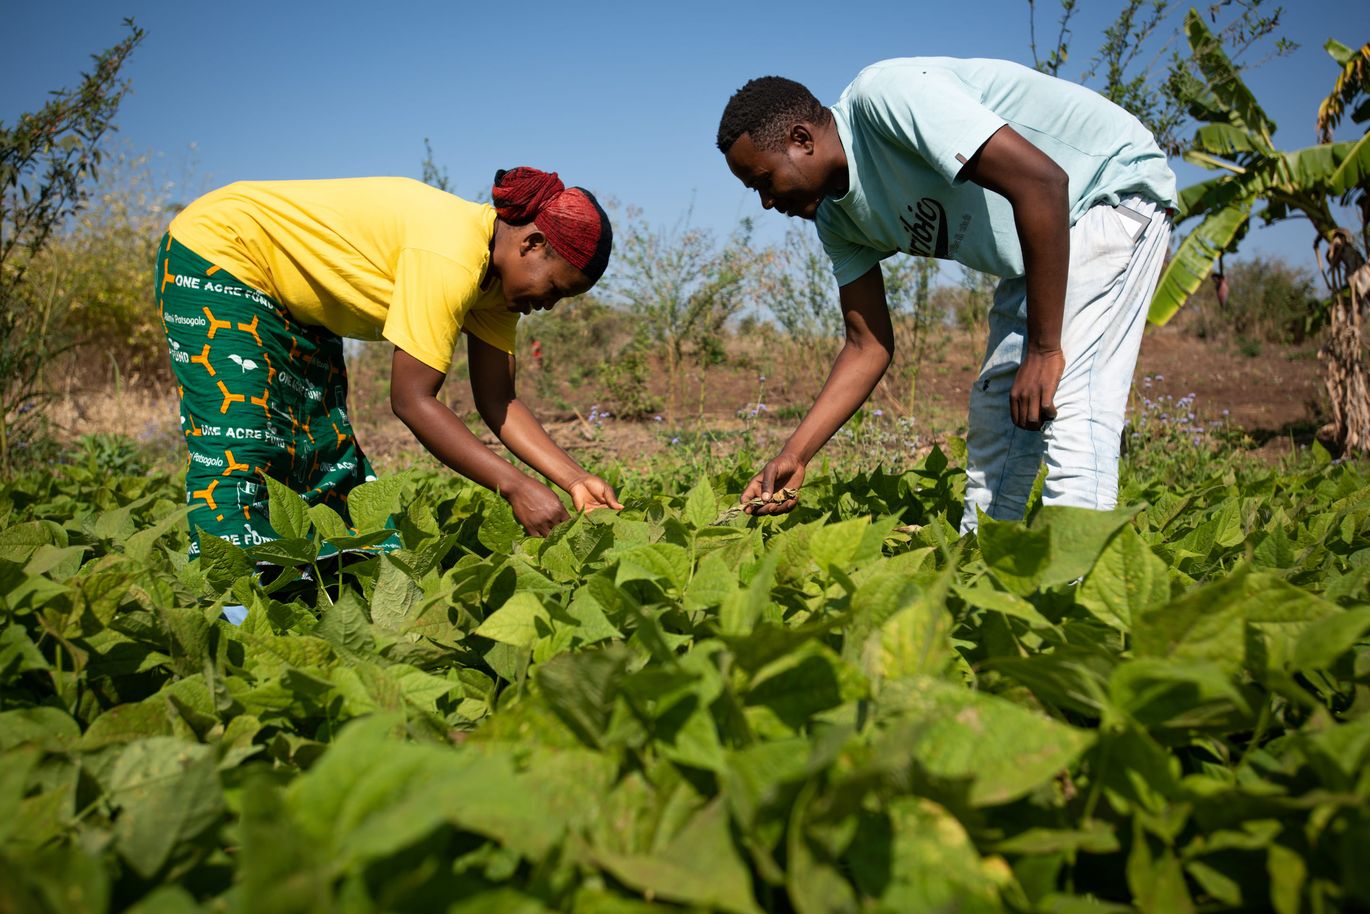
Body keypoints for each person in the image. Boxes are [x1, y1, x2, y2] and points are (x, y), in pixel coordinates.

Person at [717, 59, 1176, 532]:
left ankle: (1079, 571)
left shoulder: (886, 98)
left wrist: (1043, 349)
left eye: (765, 181)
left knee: (1072, 404)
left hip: (1107, 190)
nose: (767, 202)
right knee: (998, 414)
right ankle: (980, 563)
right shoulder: (836, 220)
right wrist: (796, 453)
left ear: (802, 139)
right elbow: (866, 345)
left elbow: (1043, 182)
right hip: (1040, 245)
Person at [156, 167, 621, 566]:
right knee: (243, 436)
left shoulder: (497, 292)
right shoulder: (452, 253)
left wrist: (576, 479)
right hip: (223, 251)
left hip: (297, 303)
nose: (549, 305)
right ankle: (231, 596)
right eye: (555, 289)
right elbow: (412, 401)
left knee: (321, 449)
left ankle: (313, 583)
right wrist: (516, 486)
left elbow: (498, 400)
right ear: (532, 244)